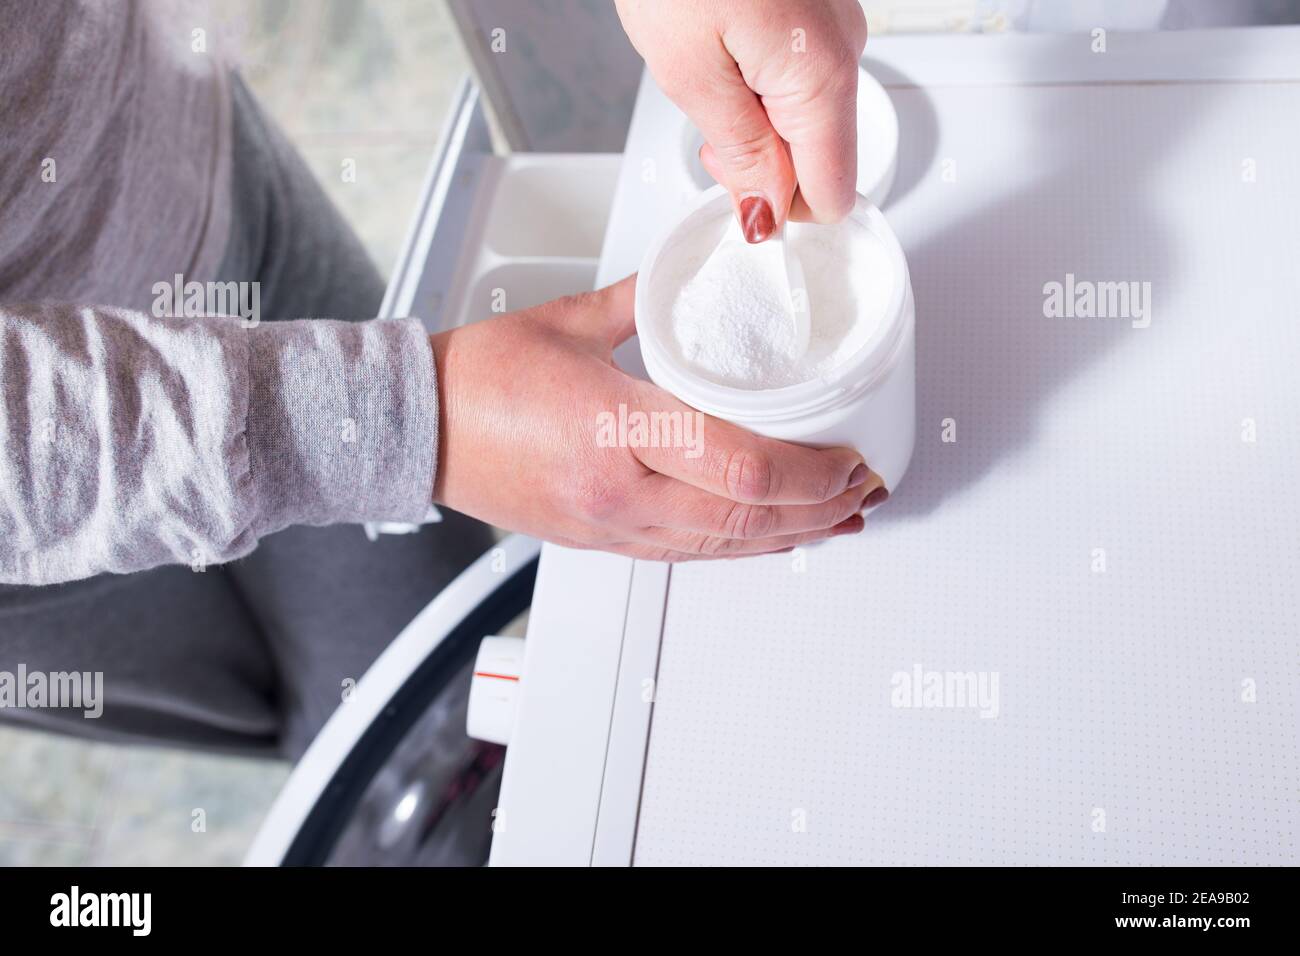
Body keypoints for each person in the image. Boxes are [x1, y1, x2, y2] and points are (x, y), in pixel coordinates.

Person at [0, 0, 881, 758]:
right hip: (42, 500)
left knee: (428, 668)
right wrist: (399, 418)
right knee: (357, 750)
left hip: (175, 147)